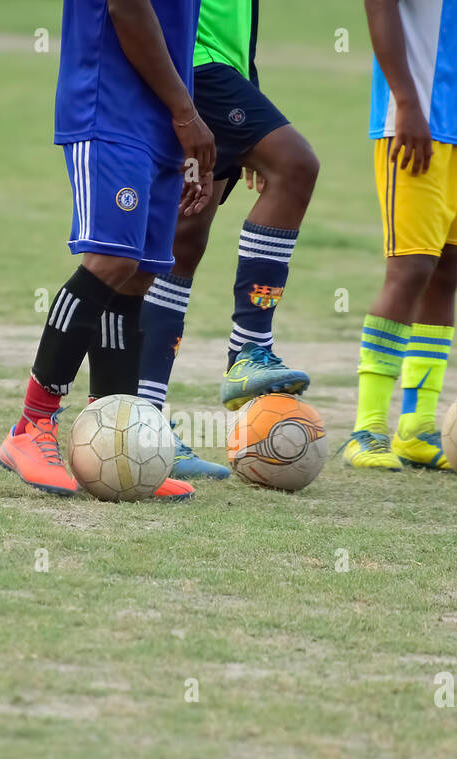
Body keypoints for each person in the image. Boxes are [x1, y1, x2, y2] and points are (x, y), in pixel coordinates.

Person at [0, 0, 216, 499]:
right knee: (111, 260)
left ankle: (117, 441)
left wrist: (185, 121)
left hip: (164, 122)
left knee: (138, 273)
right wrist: (186, 113)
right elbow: (127, 7)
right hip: (110, 110)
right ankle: (31, 427)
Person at [135, 0, 320, 480]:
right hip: (194, 64)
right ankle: (248, 350)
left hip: (221, 69)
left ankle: (145, 421)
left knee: (184, 238)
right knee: (295, 165)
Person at [343, 0, 457, 472]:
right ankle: (366, 430)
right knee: (410, 270)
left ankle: (417, 429)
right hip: (415, 129)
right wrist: (405, 102)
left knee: (446, 276)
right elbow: (378, 7)